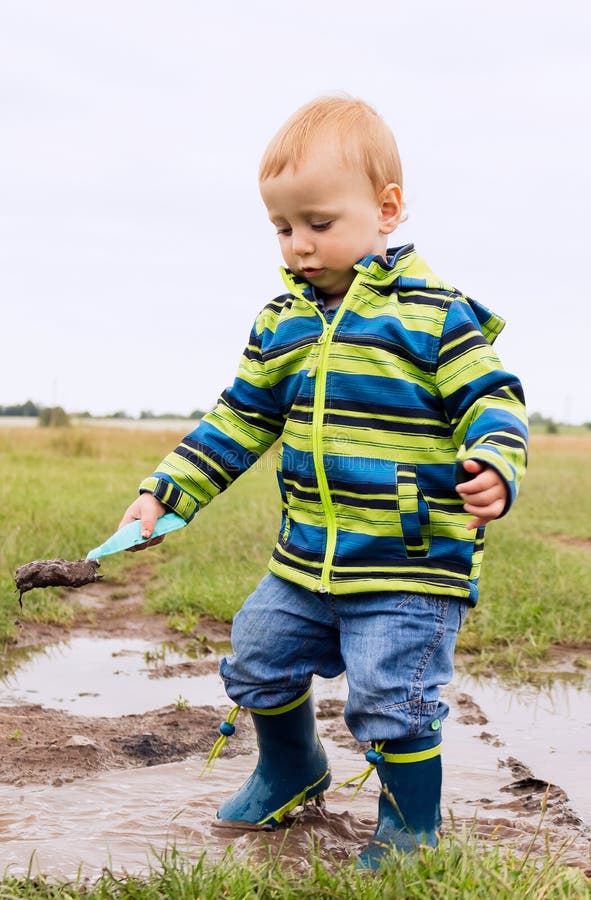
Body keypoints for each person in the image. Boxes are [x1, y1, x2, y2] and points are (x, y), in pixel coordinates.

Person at [119, 95, 528, 868]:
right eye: (282, 227)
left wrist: (495, 462)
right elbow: (237, 420)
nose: (299, 244)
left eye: (318, 222)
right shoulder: (282, 322)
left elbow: (491, 398)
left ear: (386, 210)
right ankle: (290, 768)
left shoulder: (434, 316)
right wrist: (166, 492)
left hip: (408, 565)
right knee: (256, 654)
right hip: (305, 560)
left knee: (393, 698)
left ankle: (409, 829)